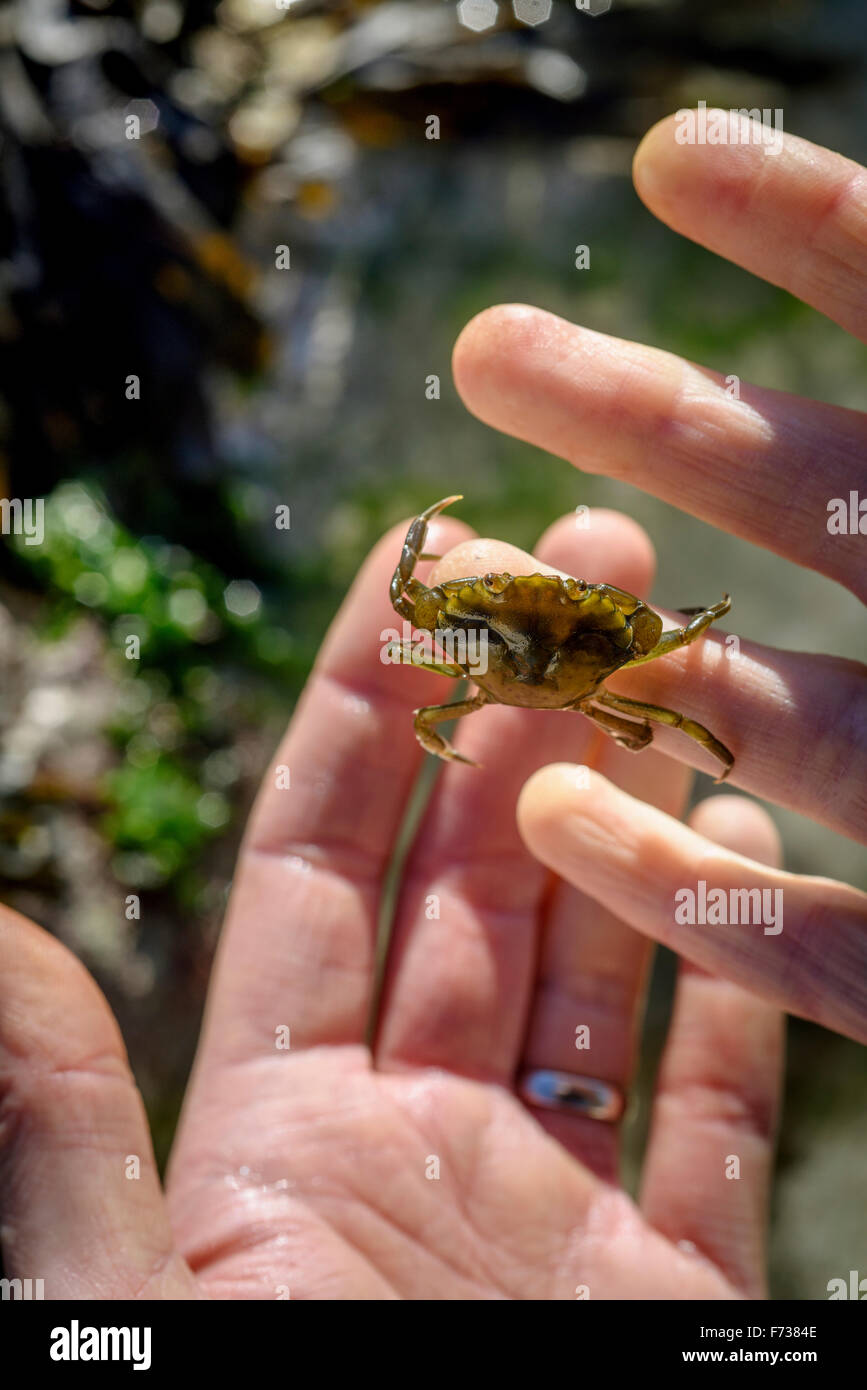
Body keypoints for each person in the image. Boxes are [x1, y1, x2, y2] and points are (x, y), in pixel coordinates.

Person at [0, 113, 863, 1299]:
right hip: (567, 663)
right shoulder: (514, 645)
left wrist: (576, 678)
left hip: (556, 661)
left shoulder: (502, 642)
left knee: (649, 694)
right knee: (644, 696)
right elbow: (502, 655)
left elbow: (577, 671)